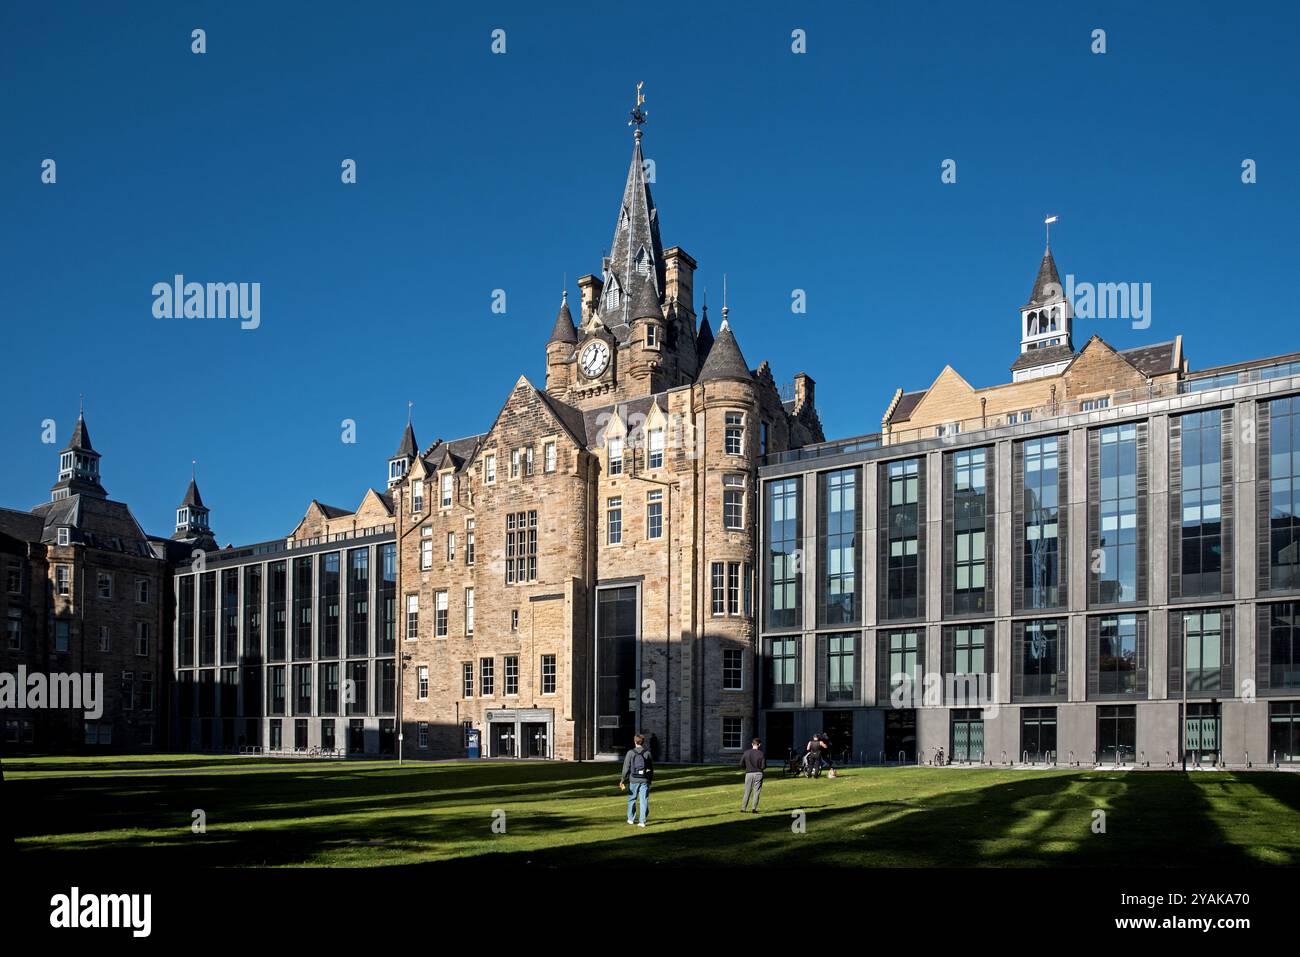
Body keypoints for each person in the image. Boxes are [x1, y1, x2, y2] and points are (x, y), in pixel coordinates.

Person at [619, 733, 654, 827]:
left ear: (635, 741)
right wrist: (650, 780)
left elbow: (626, 767)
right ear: (643, 742)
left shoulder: (630, 753)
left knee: (632, 799)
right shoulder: (647, 753)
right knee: (644, 800)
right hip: (644, 780)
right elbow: (650, 768)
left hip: (633, 780)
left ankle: (630, 819)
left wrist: (622, 779)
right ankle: (642, 821)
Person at [739, 738, 766, 812]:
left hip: (749, 773)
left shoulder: (746, 753)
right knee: (756, 791)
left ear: (752, 744)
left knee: (747, 791)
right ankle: (754, 808)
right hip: (758, 773)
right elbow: (763, 766)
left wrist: (746, 768)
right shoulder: (761, 753)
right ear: (759, 745)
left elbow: (741, 763)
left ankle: (743, 808)